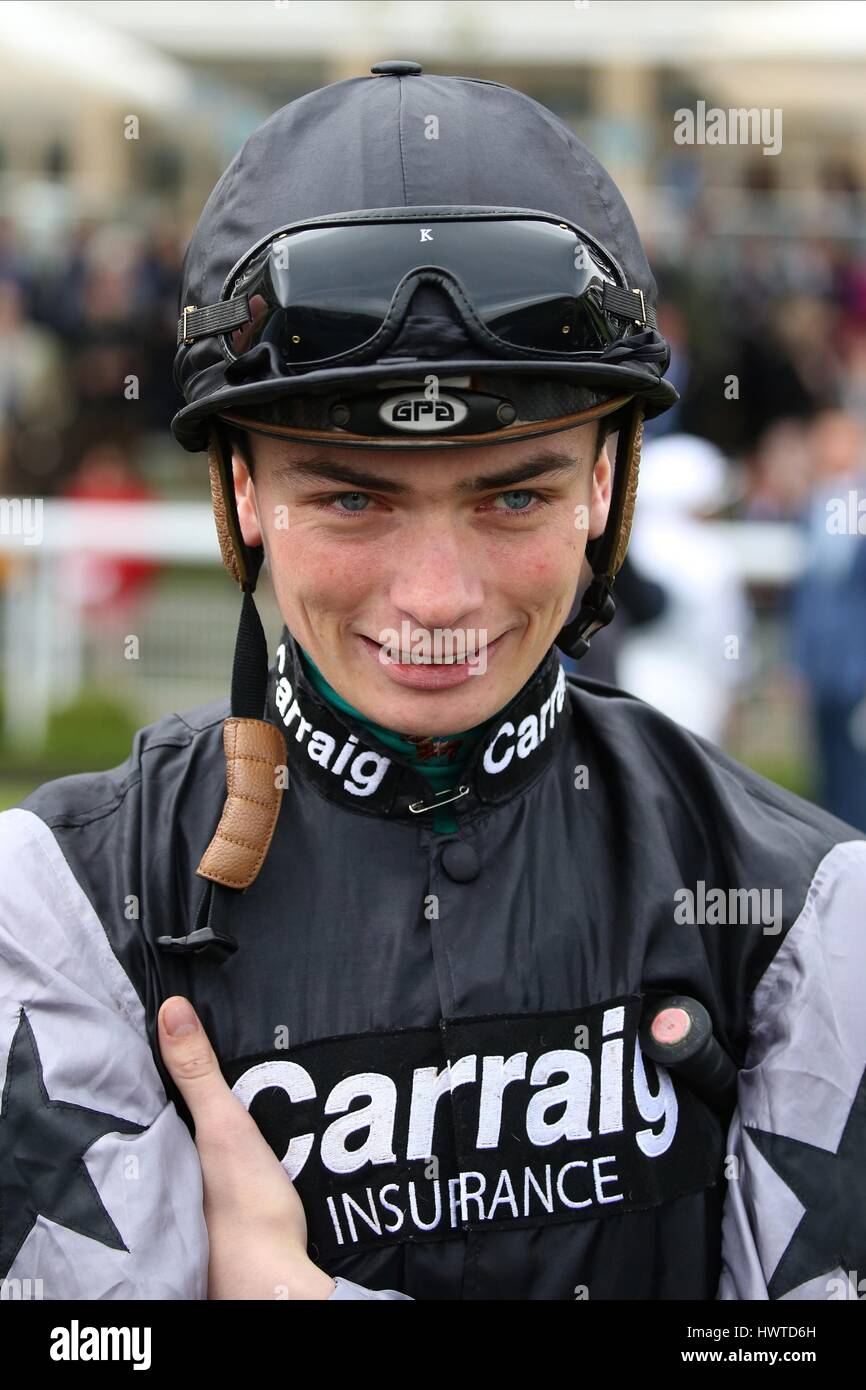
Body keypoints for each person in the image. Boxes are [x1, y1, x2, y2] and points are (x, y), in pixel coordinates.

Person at [2, 63, 864, 1303]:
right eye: (352, 496)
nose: (436, 597)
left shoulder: (807, 912)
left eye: (511, 493)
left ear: (604, 489)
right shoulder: (55, 906)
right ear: (239, 492)